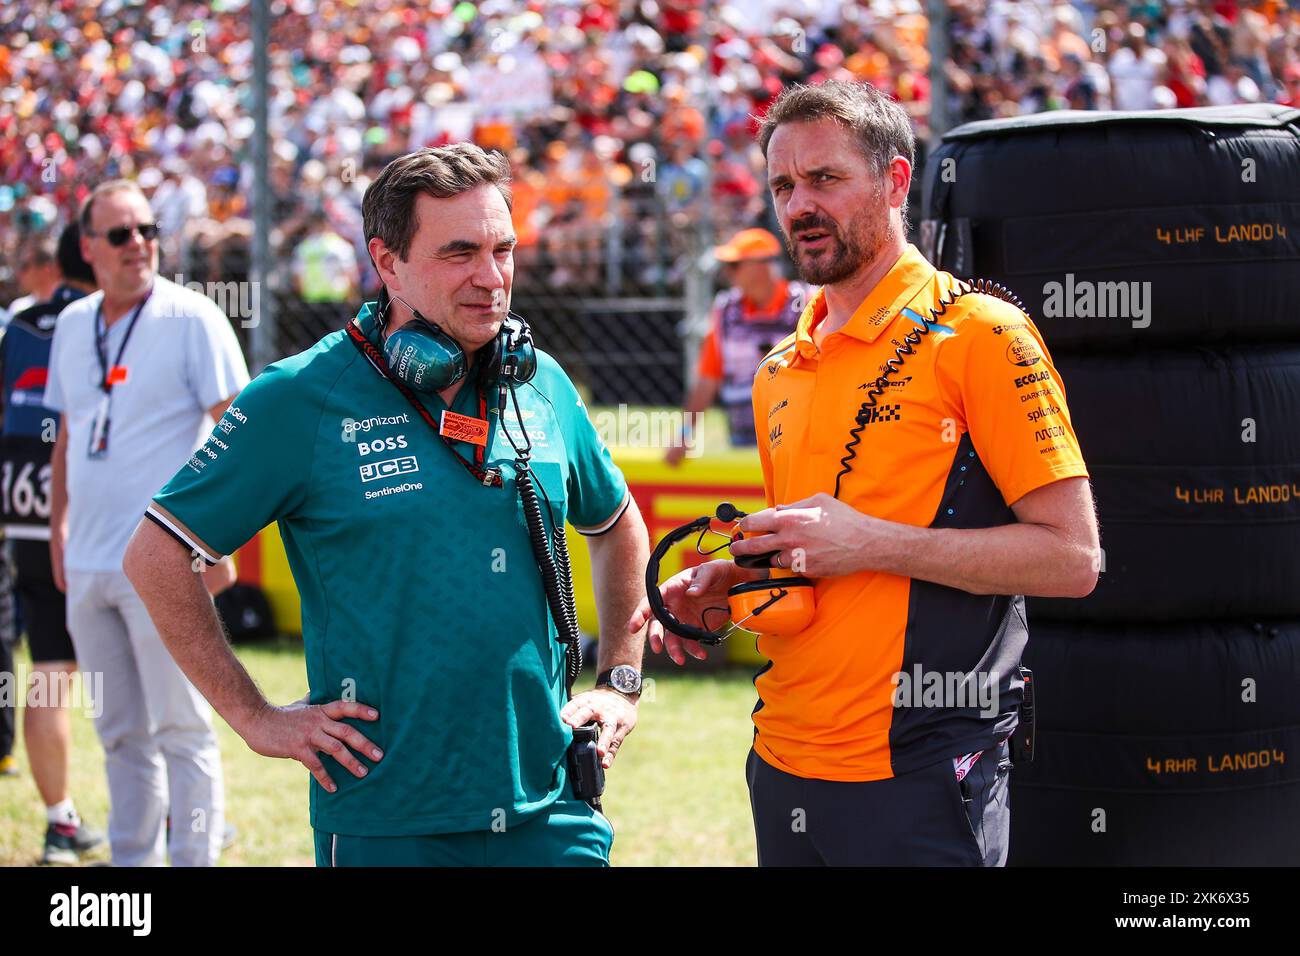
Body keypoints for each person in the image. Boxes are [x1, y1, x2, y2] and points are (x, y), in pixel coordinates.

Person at [124, 144, 651, 867]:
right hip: (388, 821)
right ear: (388, 261)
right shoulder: (299, 398)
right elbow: (155, 555)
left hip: (554, 808)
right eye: (459, 252)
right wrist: (255, 718)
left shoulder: (539, 381)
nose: (491, 278)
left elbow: (616, 523)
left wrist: (621, 681)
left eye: (503, 250)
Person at [631, 80, 1099, 866]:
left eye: (825, 178)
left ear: (894, 180)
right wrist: (735, 579)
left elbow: (1073, 558)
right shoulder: (782, 363)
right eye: (783, 185)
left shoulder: (981, 335)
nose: (799, 205)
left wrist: (874, 543)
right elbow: (815, 560)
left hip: (920, 769)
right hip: (781, 756)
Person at [45, 180, 246, 866]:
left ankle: (192, 858)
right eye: (122, 233)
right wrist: (57, 529)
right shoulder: (73, 324)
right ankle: (133, 867)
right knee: (119, 731)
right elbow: (70, 434)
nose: (141, 244)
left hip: (163, 563)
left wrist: (215, 541)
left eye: (149, 229)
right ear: (88, 247)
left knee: (181, 726)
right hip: (89, 562)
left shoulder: (193, 318)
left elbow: (237, 436)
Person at [0, 221, 106, 863]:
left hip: (23, 515)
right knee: (148, 669)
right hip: (91, 516)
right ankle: (177, 815)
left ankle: (59, 821)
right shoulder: (105, 320)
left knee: (47, 675)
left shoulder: (15, 325)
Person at [666, 228, 807, 466]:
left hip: (800, 444)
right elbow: (707, 380)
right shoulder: (725, 311)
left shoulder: (807, 304)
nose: (727, 272)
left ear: (763, 266)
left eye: (735, 265)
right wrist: (684, 436)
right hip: (743, 446)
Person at [6, 236, 63, 321]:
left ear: (46, 269)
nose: (19, 273)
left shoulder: (68, 308)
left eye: (25, 266)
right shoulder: (19, 308)